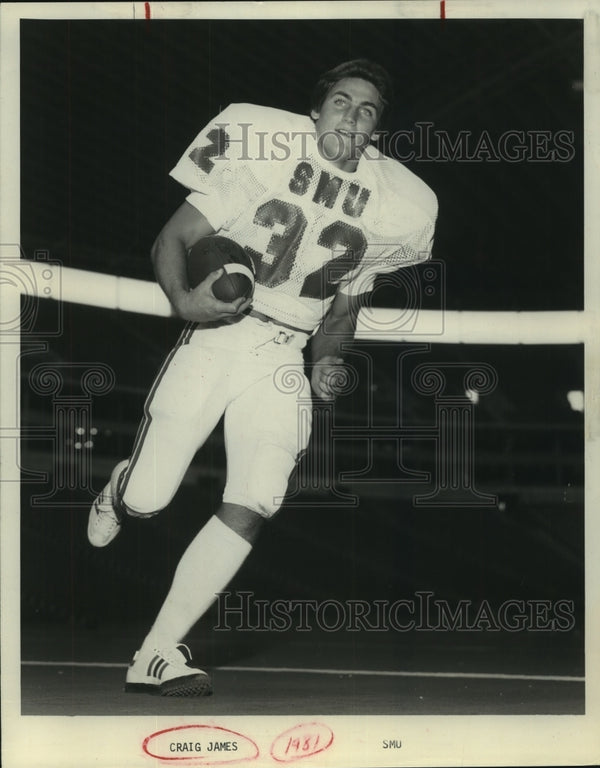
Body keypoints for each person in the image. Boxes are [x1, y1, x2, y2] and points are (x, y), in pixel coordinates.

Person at [87, 59, 438, 696]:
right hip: (223, 331)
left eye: (367, 111)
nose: (351, 117)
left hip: (287, 353)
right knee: (149, 499)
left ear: (376, 130)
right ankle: (120, 489)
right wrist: (186, 303)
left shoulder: (396, 205)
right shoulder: (264, 153)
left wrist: (329, 361)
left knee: (258, 499)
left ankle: (158, 652)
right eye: (340, 101)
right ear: (315, 111)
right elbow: (174, 236)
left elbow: (345, 309)